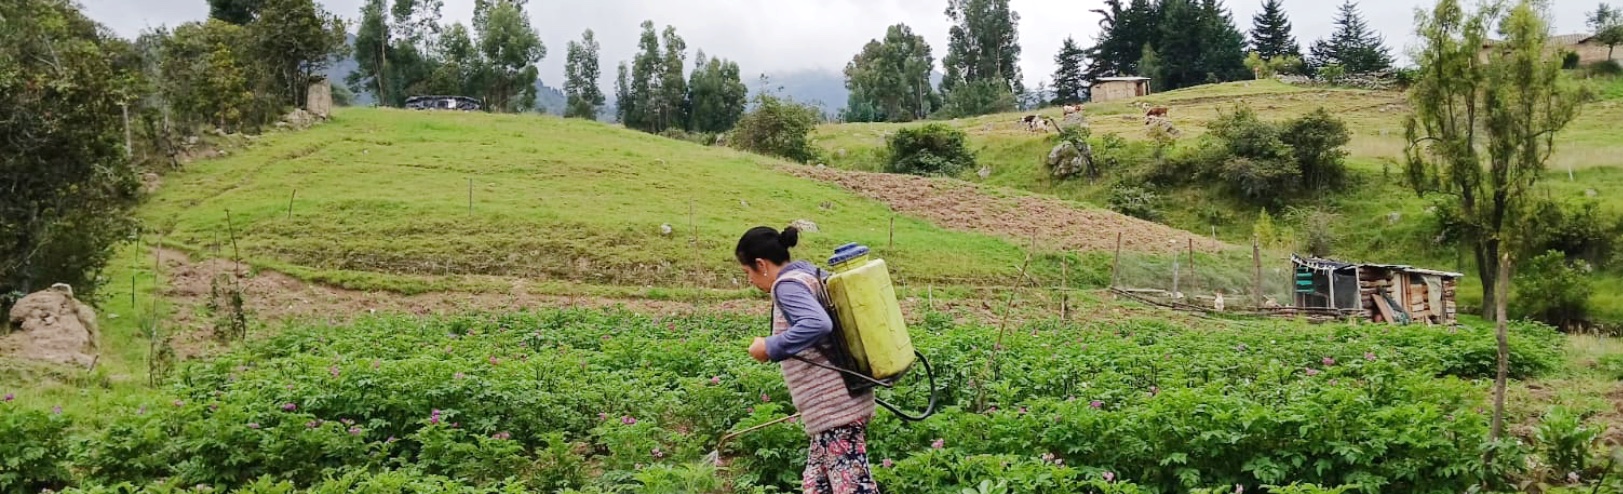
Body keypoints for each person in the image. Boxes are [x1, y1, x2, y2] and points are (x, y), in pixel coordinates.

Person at [735, 225, 879, 494]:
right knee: (816, 486)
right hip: (832, 410)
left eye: (747, 273)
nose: (750, 281)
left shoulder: (787, 286)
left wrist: (770, 346)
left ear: (760, 264)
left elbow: (818, 323)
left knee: (853, 488)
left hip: (835, 409)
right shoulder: (809, 275)